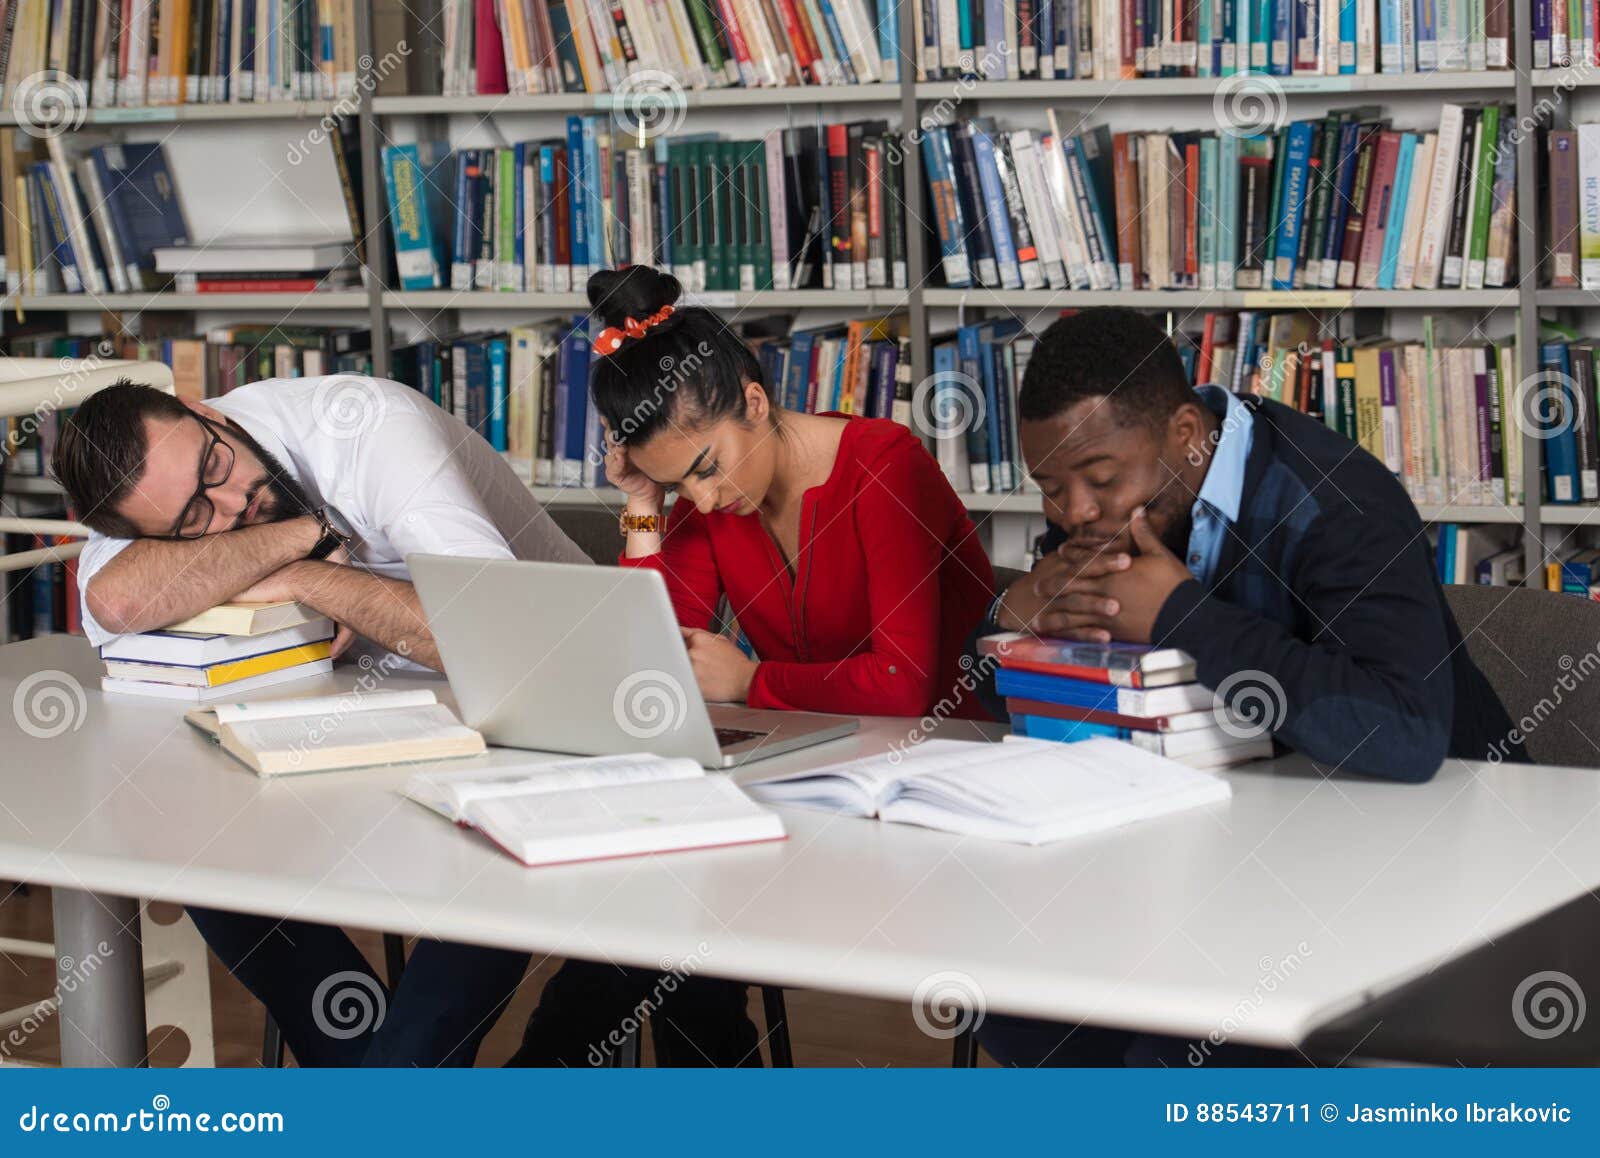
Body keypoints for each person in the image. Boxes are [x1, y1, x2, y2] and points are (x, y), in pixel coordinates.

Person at [962, 307, 1525, 1067]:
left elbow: (1405, 731)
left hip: (1422, 860)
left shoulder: (1337, 502)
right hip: (1225, 853)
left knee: (1176, 1053)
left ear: (1185, 433)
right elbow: (1015, 695)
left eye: (1099, 480)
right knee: (1018, 1011)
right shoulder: (1100, 508)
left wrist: (1179, 614)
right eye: (1050, 488)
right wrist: (1011, 615)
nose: (1075, 513)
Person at [508, 266, 997, 1066]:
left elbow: (904, 683)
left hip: (937, 787)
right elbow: (656, 656)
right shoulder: (711, 500)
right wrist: (643, 507)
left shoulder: (886, 463)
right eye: (679, 484)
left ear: (757, 401)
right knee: (657, 899)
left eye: (704, 468)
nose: (702, 500)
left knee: (663, 909)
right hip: (815, 775)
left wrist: (749, 684)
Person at [52, 373, 592, 1066]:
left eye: (214, 464)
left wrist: (315, 579)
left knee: (481, 853)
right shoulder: (150, 492)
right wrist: (304, 540)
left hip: (549, 708)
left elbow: (498, 639)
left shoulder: (366, 428)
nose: (232, 502)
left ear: (203, 410)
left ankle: (386, 1092)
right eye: (193, 521)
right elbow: (117, 602)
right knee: (195, 840)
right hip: (375, 738)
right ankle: (383, 1091)